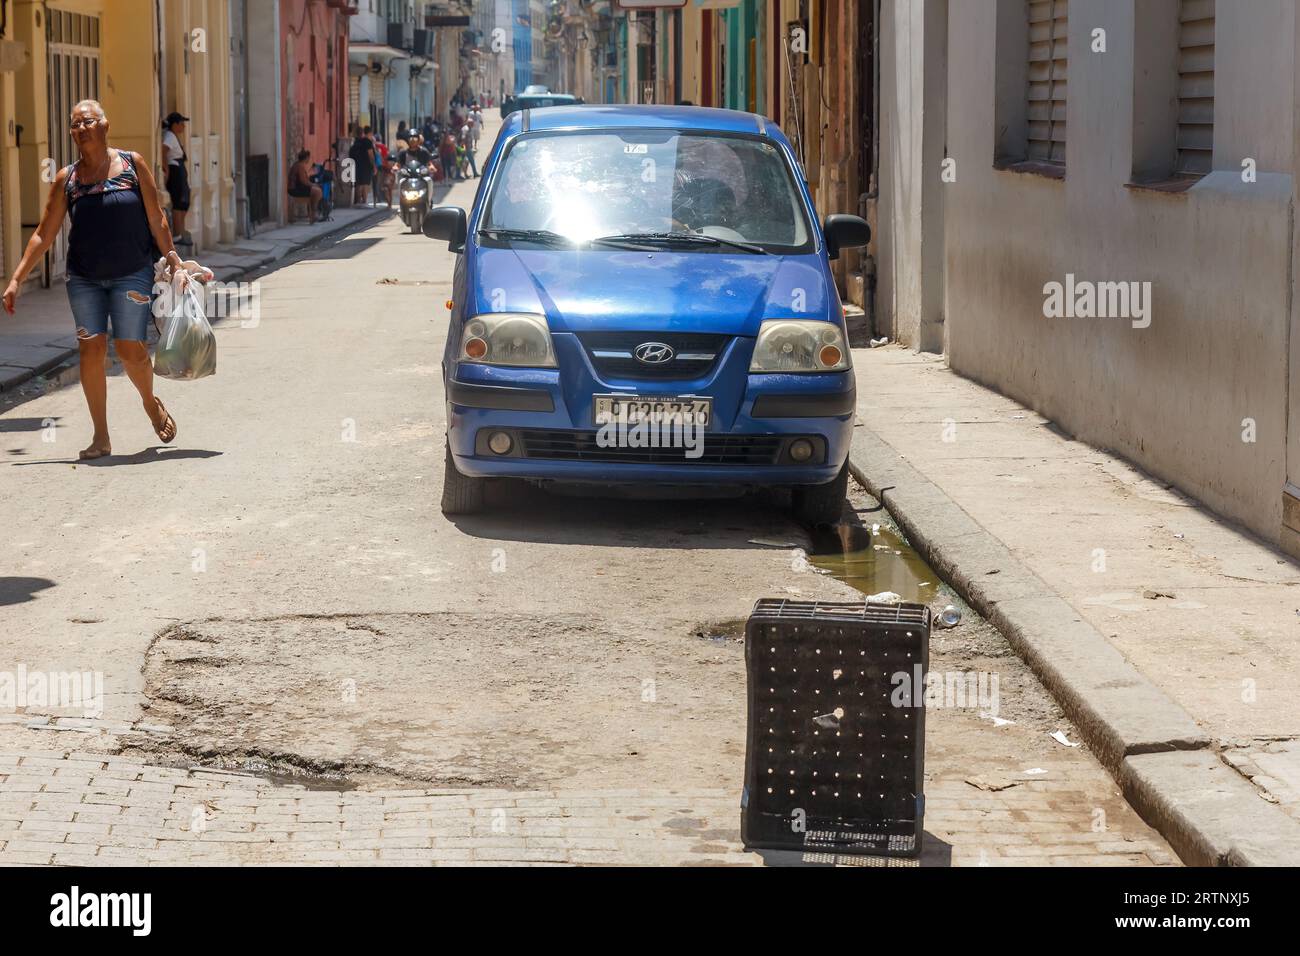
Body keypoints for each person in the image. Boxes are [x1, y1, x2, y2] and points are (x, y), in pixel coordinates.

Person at [2, 100, 205, 459]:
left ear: (105, 126)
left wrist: (172, 258)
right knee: (90, 350)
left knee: (130, 349)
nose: (80, 129)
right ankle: (101, 436)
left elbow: (157, 218)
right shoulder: (68, 179)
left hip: (132, 272)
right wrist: (17, 278)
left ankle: (149, 401)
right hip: (84, 278)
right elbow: (44, 233)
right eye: (74, 124)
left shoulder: (132, 164)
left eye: (87, 122)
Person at [161, 111, 191, 247]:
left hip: (179, 168)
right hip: (175, 169)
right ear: (174, 125)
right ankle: (177, 235)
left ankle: (180, 232)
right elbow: (163, 150)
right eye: (181, 123)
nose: (183, 126)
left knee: (184, 202)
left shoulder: (173, 136)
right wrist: (166, 168)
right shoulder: (169, 136)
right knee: (179, 202)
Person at [288, 149, 323, 218]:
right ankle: (313, 212)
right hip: (295, 189)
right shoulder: (300, 166)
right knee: (318, 192)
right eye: (308, 158)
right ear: (306, 158)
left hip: (295, 188)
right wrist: (313, 185)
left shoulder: (298, 164)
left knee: (315, 190)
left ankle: (311, 212)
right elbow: (303, 181)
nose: (309, 160)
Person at [347, 125, 377, 204]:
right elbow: (370, 155)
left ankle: (358, 201)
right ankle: (364, 201)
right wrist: (374, 166)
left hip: (356, 165)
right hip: (366, 165)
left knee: (358, 183)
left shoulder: (356, 141)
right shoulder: (367, 142)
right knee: (365, 184)